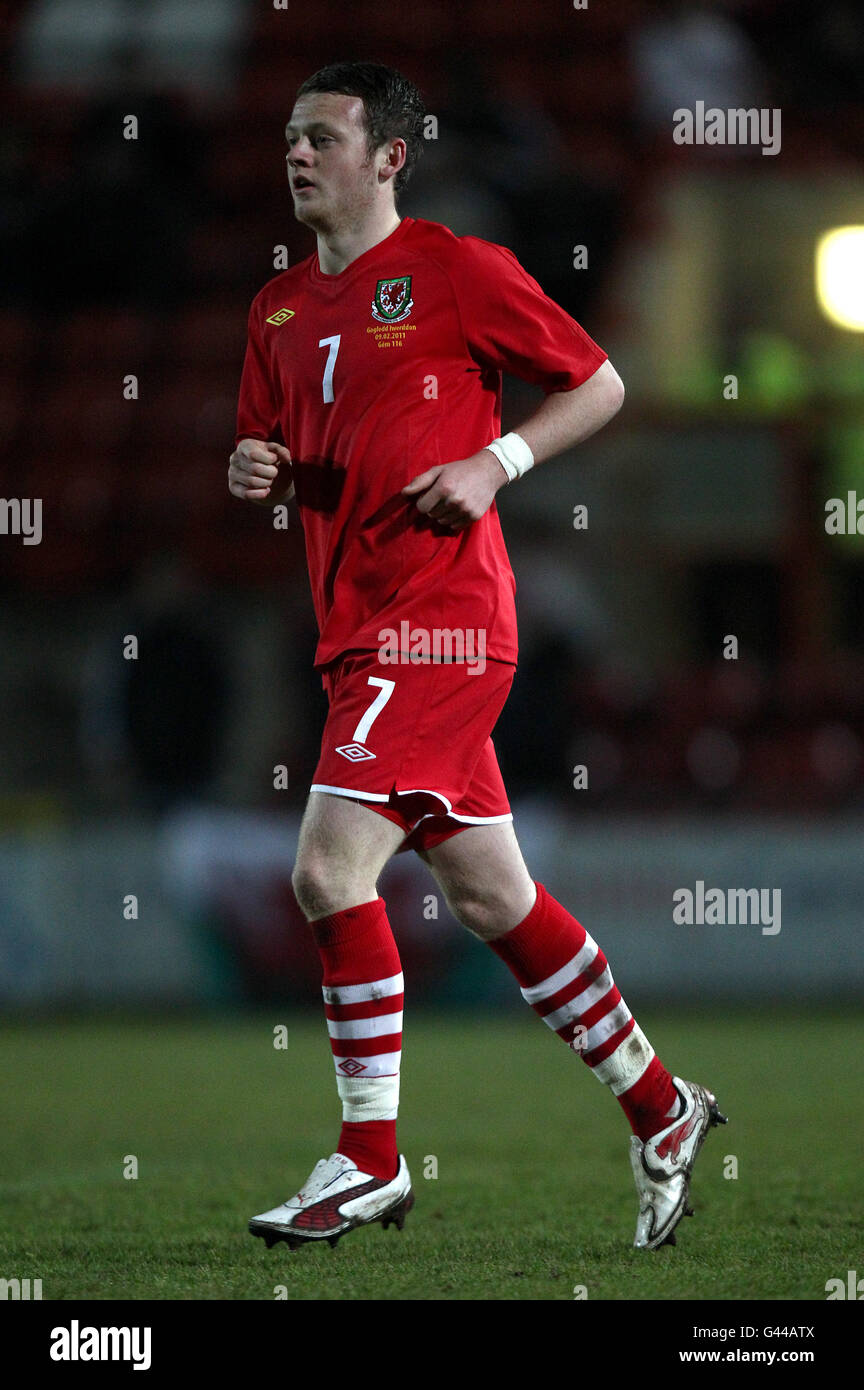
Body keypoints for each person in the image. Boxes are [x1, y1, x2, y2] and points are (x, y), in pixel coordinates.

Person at [228, 61, 726, 1255]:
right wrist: (261, 473)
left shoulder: (453, 269)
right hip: (356, 634)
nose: (298, 156)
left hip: (444, 624)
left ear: (389, 156)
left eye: (323, 139)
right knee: (494, 895)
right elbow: (281, 449)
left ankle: (368, 1160)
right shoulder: (279, 310)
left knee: (327, 870)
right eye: (291, 139)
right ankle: (664, 1110)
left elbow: (598, 382)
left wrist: (494, 462)